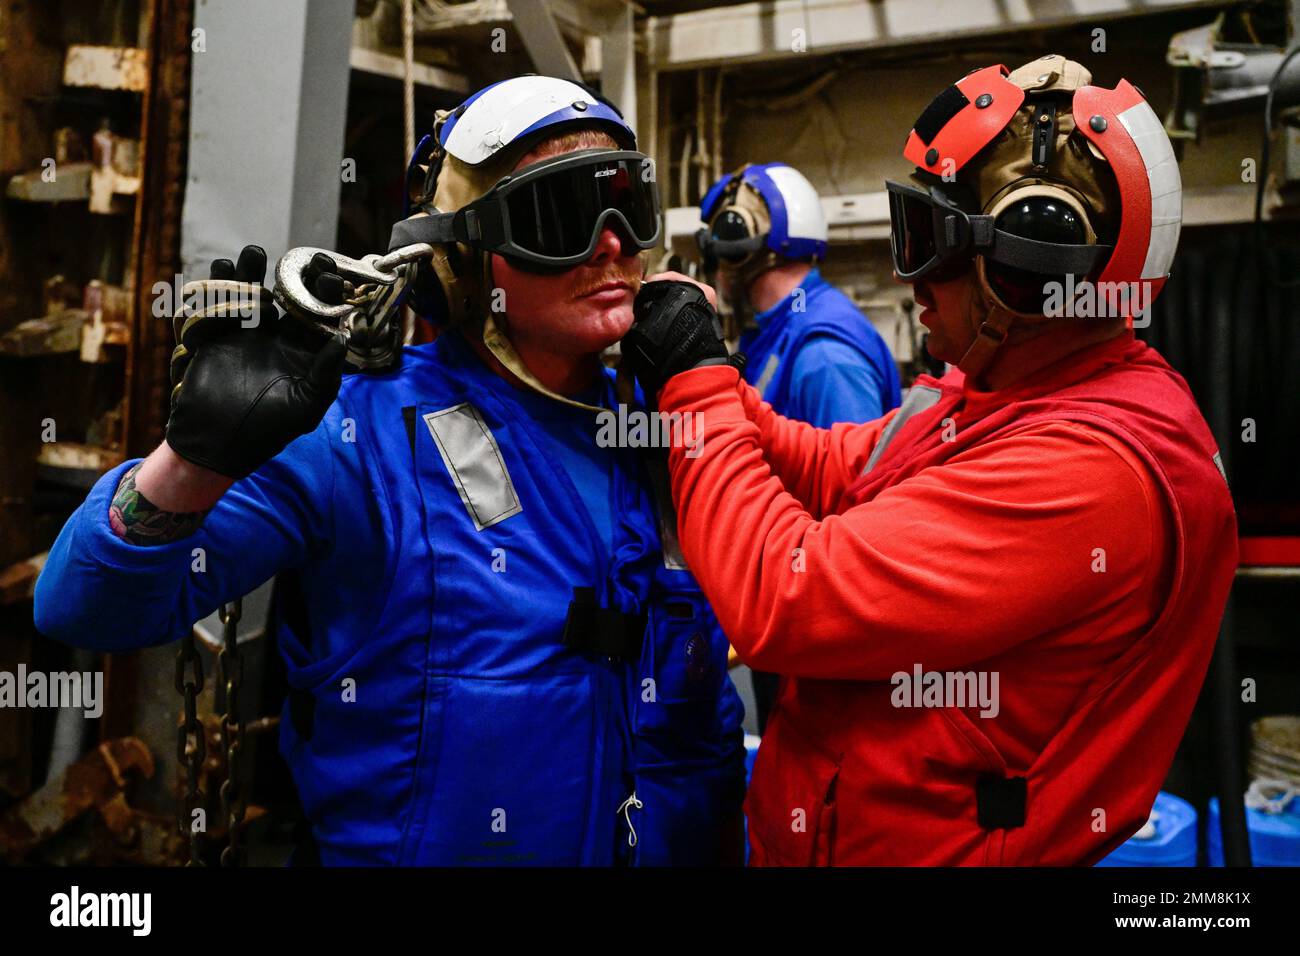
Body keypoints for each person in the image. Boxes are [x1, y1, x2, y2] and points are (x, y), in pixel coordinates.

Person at [35, 75, 745, 866]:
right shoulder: (358, 435)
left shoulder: (680, 433)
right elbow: (82, 606)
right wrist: (192, 462)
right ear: (464, 259)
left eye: (628, 206)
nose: (614, 244)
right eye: (566, 215)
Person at [621, 56, 1237, 865]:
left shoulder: (1090, 472)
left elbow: (785, 595)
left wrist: (697, 389)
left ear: (1027, 269)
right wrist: (717, 381)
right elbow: (839, 463)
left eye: (931, 246)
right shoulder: (998, 391)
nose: (910, 282)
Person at [697, 162, 902, 731]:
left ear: (740, 247)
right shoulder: (781, 334)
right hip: (791, 617)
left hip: (816, 632)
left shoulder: (822, 353)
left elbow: (859, 515)